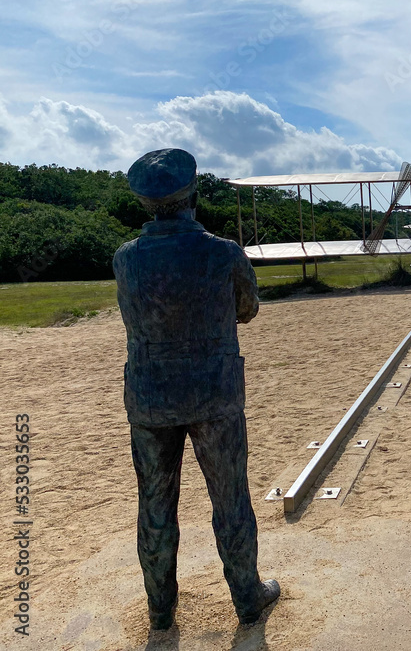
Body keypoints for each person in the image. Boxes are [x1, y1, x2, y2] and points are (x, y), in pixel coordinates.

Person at [113, 148, 280, 630]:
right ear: (192, 196)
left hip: (150, 397)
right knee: (230, 500)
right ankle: (247, 597)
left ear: (145, 202)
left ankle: (160, 609)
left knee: (154, 504)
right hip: (213, 393)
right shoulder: (223, 251)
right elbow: (247, 308)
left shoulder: (126, 258)